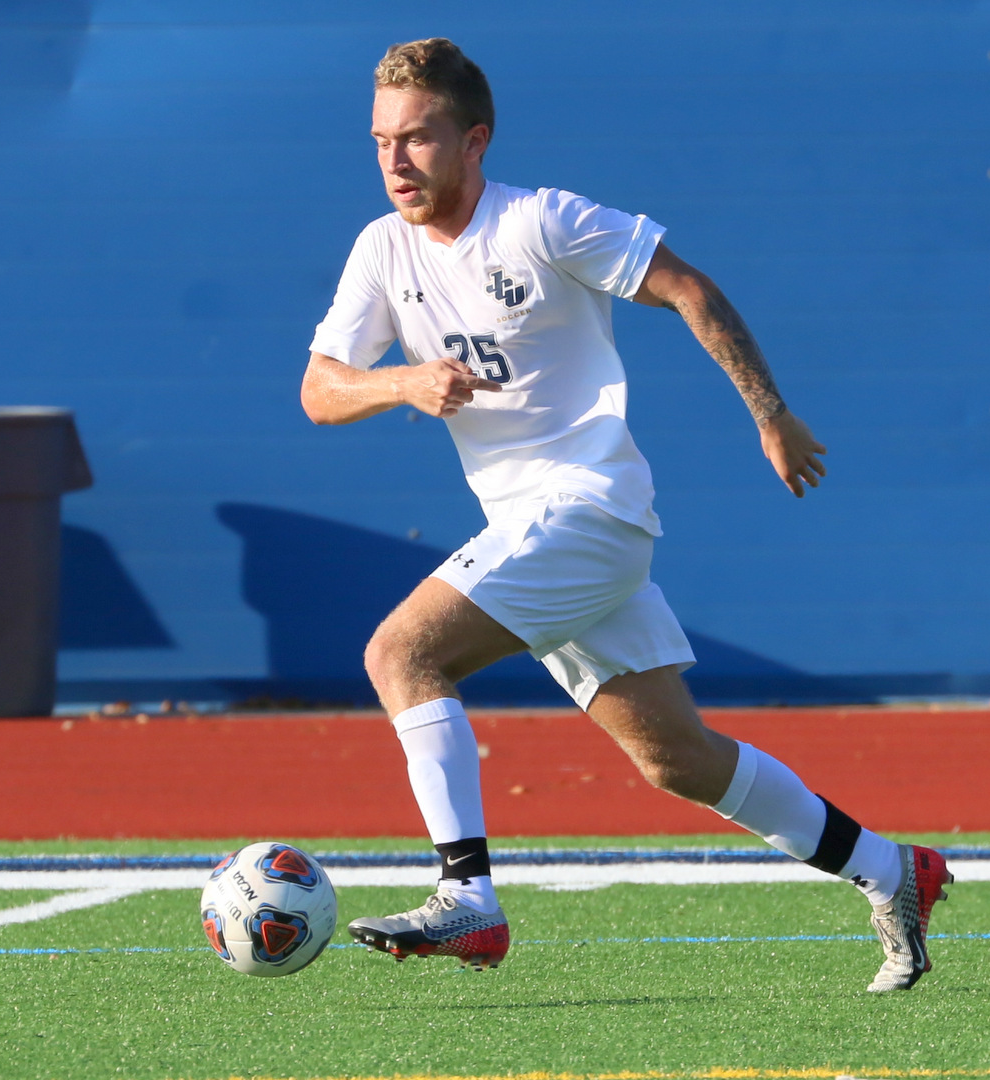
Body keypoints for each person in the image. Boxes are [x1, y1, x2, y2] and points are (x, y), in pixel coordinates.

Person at [300, 38, 951, 991]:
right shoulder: (380, 248)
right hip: (532, 527)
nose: (397, 160)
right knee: (677, 759)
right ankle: (895, 870)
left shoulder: (543, 221)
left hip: (590, 510)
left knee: (402, 654)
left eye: (420, 138)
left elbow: (688, 286)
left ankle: (468, 898)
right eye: (381, 141)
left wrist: (771, 416)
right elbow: (320, 390)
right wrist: (399, 380)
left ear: (475, 140)